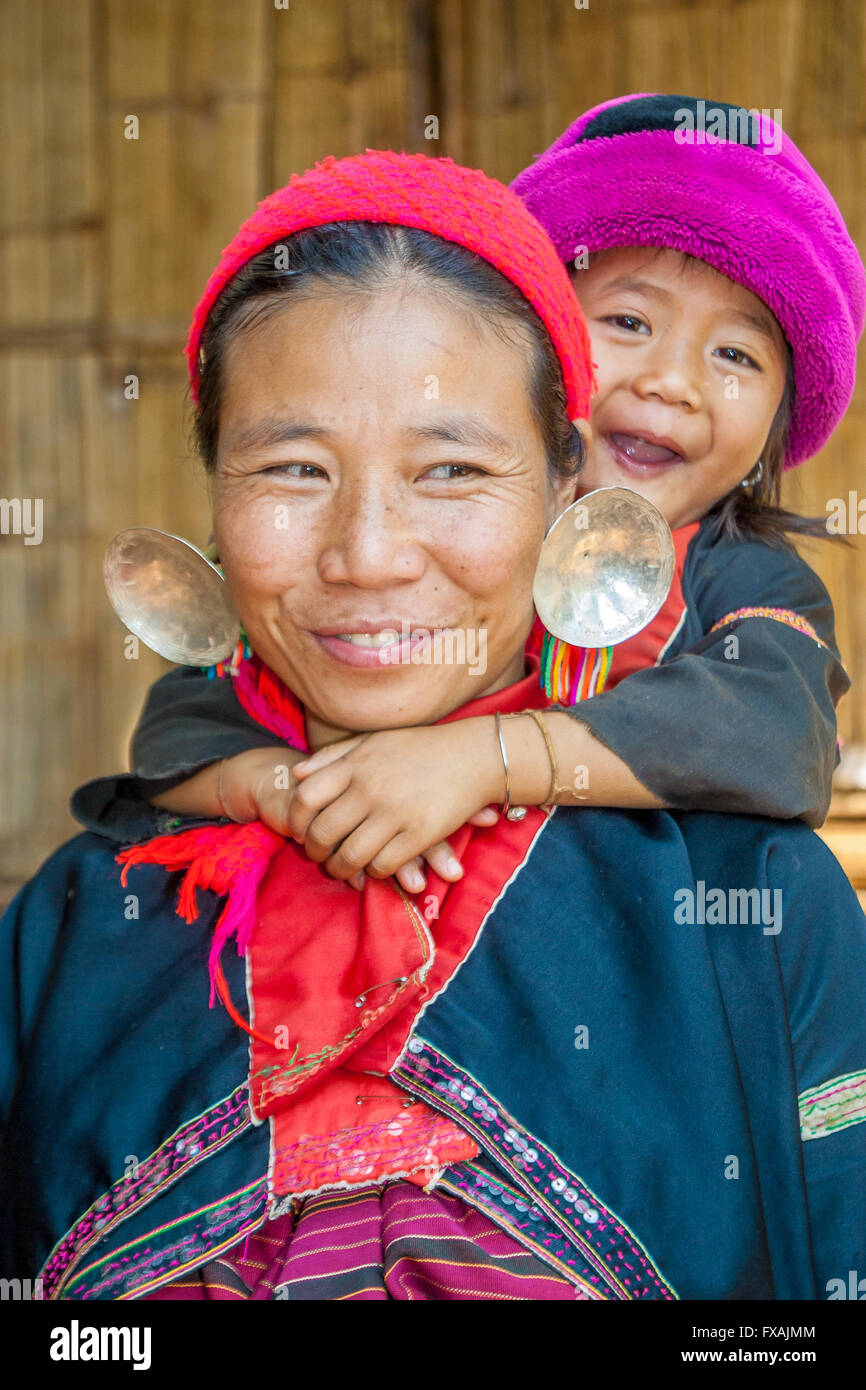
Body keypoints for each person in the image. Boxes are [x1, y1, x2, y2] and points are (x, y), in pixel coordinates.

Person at [2, 150, 865, 1302]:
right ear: (213, 494)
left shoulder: (757, 908)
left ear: (571, 492)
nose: (366, 554)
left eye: (451, 468)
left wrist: (491, 759)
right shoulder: (70, 923)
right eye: (294, 468)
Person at [74, 94, 862, 902]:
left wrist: (486, 760)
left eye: (736, 353)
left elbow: (778, 735)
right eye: (628, 320)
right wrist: (292, 790)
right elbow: (182, 722)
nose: (674, 381)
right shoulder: (285, 589)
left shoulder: (744, 578)